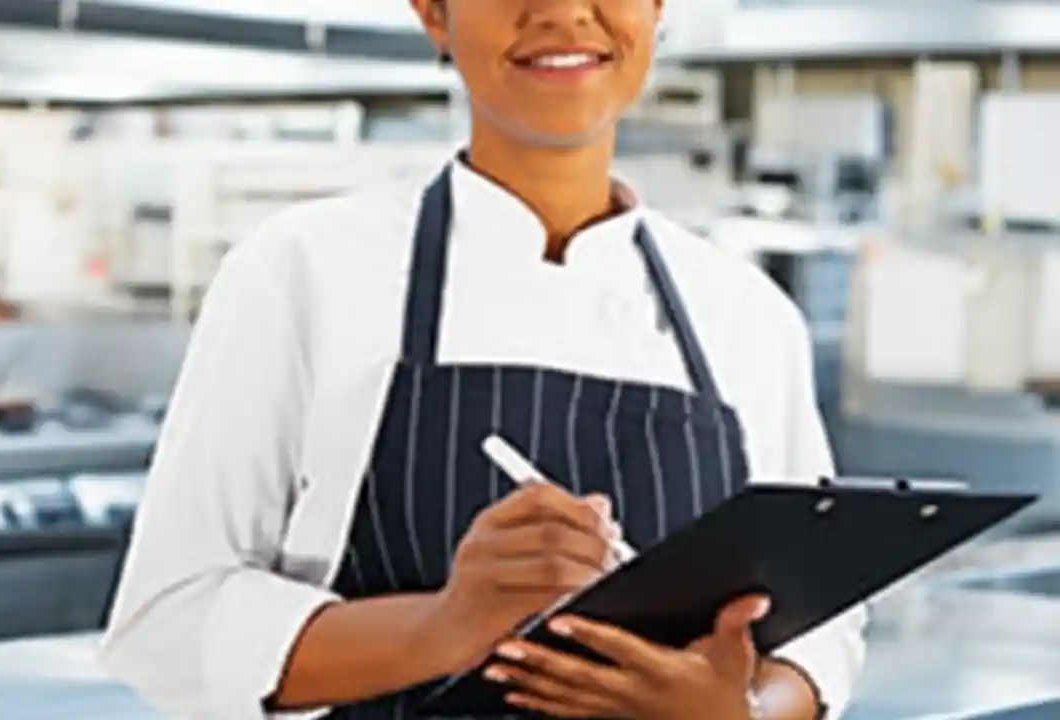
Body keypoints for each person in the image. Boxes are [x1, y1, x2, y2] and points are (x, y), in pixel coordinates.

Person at [99, 1, 867, 718]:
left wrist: (739, 710)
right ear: (432, 11)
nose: (565, 12)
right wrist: (442, 626)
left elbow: (820, 627)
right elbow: (169, 623)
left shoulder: (745, 313)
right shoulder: (302, 270)